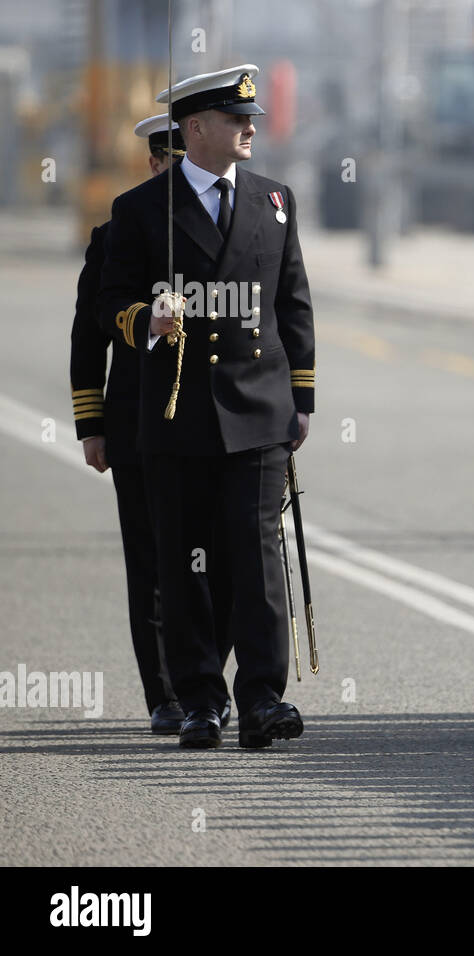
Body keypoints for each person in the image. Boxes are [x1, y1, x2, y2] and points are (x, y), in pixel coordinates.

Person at [98, 64, 315, 749]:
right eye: (234, 118)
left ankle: (261, 699)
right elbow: (112, 305)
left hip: (258, 411)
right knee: (186, 560)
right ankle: (197, 699)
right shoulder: (142, 210)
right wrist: (147, 319)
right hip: (177, 413)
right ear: (195, 129)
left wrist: (301, 401)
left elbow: (293, 304)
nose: (250, 126)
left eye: (249, 117)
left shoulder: (274, 200)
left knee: (258, 562)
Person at [70, 113, 223, 735]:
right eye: (164, 163)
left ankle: (209, 684)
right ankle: (164, 694)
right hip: (137, 426)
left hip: (210, 427)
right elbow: (88, 337)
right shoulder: (115, 236)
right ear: (154, 165)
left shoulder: (224, 230)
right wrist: (91, 425)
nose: (172, 174)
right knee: (153, 563)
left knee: (213, 560)